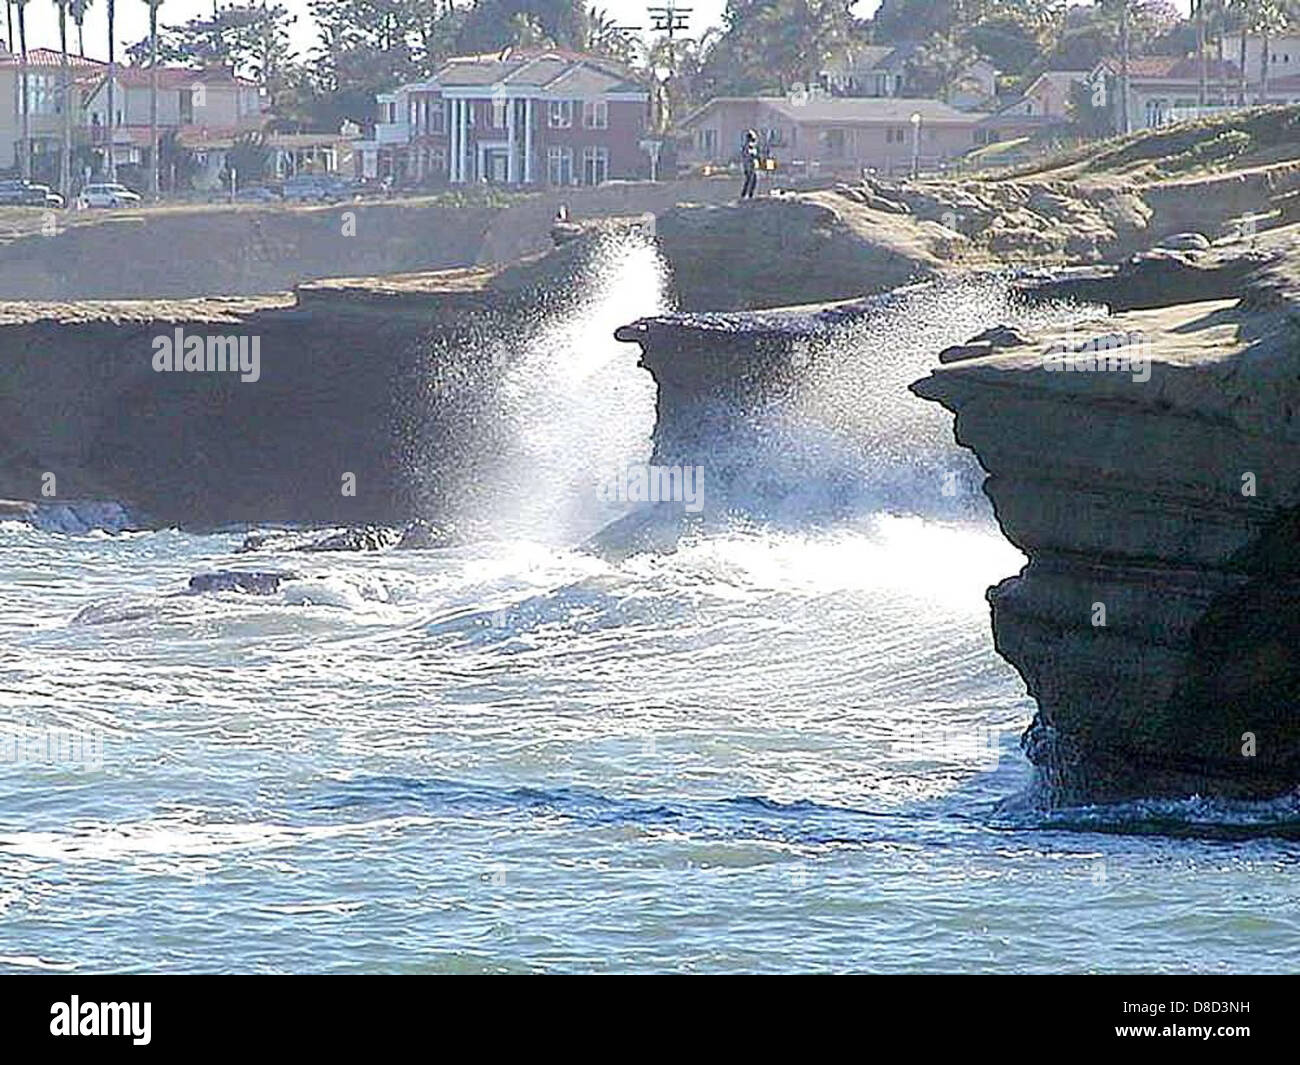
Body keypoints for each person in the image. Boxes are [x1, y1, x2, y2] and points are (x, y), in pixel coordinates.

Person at [740, 130, 759, 200]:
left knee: (751, 180)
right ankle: (747, 194)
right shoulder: (747, 147)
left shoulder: (752, 146)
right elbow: (748, 156)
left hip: (751, 166)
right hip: (749, 166)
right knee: (751, 180)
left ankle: (748, 194)